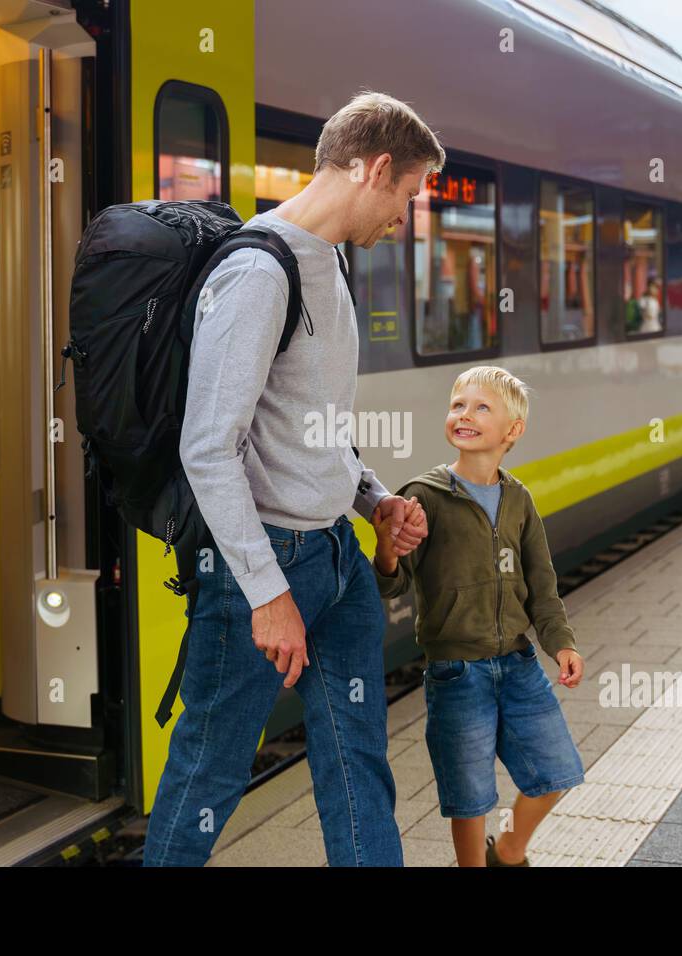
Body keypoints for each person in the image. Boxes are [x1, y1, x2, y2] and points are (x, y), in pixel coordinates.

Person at [142, 91, 446, 867]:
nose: (403, 219)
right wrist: (267, 594)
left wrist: (374, 501)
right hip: (265, 566)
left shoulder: (332, 263)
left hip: (338, 561)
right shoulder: (257, 271)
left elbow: (318, 428)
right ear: (376, 168)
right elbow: (208, 448)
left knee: (359, 763)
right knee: (208, 771)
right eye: (407, 196)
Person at [372, 366, 586, 867]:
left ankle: (509, 851)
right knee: (468, 797)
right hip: (455, 672)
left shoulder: (519, 500)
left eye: (481, 407)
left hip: (518, 665)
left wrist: (563, 644)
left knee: (557, 771)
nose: (464, 415)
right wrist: (385, 547)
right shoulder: (423, 496)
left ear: (513, 431)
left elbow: (543, 588)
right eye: (458, 405)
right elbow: (394, 582)